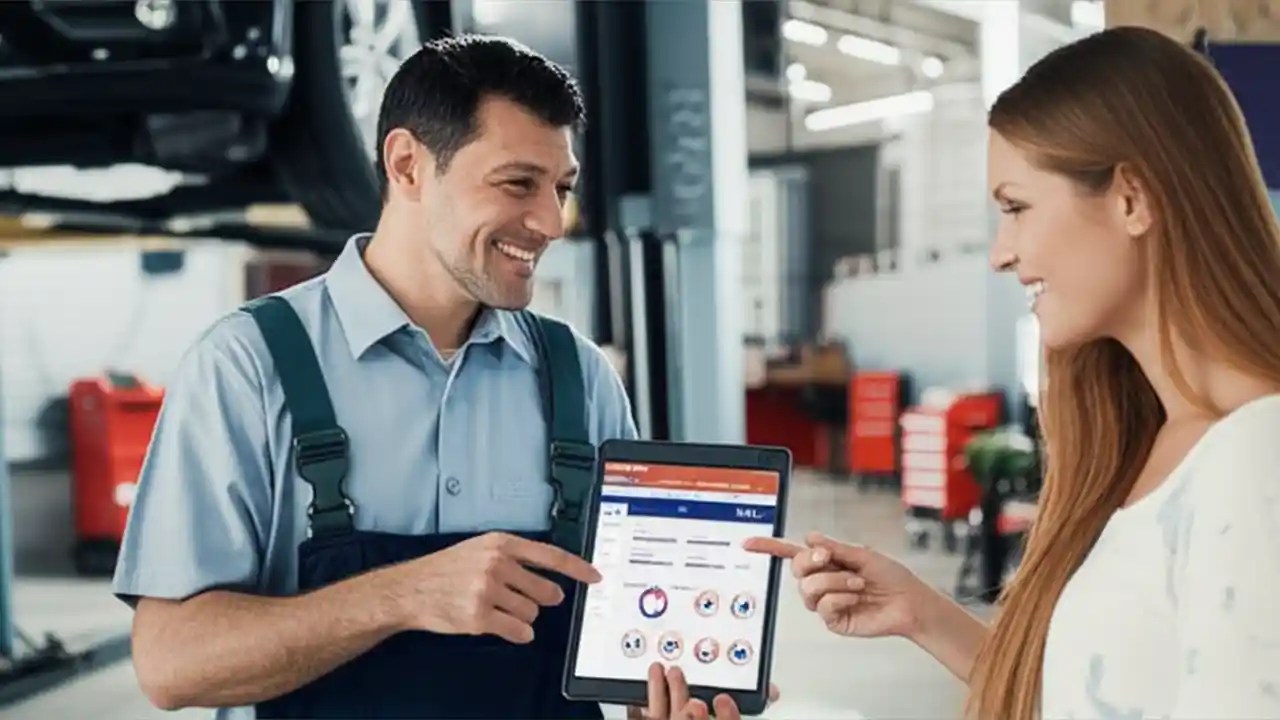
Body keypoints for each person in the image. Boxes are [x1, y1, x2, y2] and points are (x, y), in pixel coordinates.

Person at [745, 25, 1280, 720]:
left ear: (1132, 198)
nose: (1001, 253)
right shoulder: (1151, 440)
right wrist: (922, 613)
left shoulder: (1254, 456)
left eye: (1016, 208)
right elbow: (1099, 696)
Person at [113, 35, 640, 720]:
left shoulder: (581, 379)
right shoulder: (249, 366)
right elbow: (170, 665)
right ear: (407, 164)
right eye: (518, 183)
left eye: (561, 189)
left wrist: (661, 697)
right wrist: (405, 595)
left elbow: (628, 649)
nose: (549, 221)